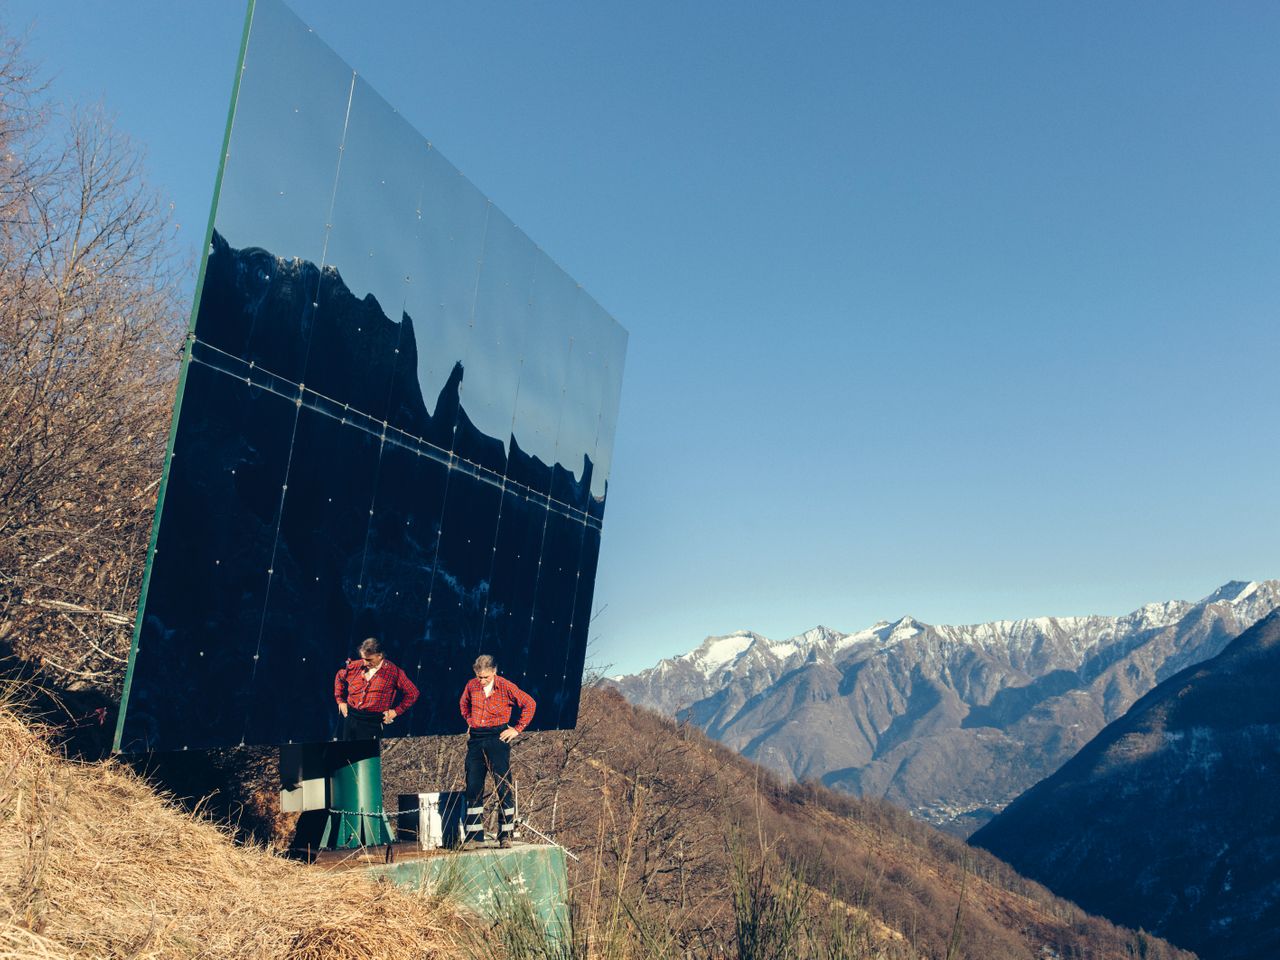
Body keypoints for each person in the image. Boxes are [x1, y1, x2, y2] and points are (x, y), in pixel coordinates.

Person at [458, 654, 536, 848]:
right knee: (473, 785)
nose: (482, 680)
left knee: (502, 785)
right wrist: (470, 721)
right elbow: (463, 705)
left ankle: (505, 835)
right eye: (479, 677)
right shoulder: (471, 685)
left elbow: (529, 704)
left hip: (497, 736)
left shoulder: (506, 686)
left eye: (485, 677)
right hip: (476, 738)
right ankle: (473, 836)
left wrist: (517, 729)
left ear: (494, 671)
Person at [333, 637, 419, 740]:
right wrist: (340, 701)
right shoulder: (355, 666)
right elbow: (340, 676)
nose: (365, 663)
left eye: (369, 660)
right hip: (351, 717)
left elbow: (413, 693)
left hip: (372, 722)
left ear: (380, 656)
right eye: (363, 658)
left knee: (367, 755)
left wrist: (395, 712)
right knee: (347, 753)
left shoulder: (393, 672)